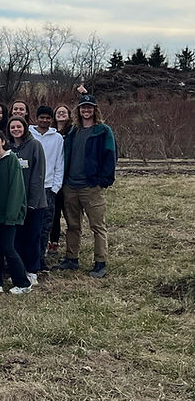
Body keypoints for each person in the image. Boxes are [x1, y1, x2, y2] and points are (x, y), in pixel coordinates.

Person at [58, 95, 117, 278]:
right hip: (70, 186)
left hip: (90, 186)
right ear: (78, 110)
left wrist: (103, 180)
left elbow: (111, 155)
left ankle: (100, 263)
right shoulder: (73, 131)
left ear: (95, 110)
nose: (86, 110)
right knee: (72, 225)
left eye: (89, 107)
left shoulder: (103, 131)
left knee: (97, 226)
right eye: (83, 107)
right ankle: (71, 259)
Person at [0, 129, 32, 295]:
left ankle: (23, 282)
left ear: (3, 141)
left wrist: (11, 216)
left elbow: (16, 189)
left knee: (8, 247)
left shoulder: (11, 159)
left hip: (9, 215)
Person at [9, 116, 47, 284]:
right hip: (16, 204)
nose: (16, 129)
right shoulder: (8, 148)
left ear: (25, 128)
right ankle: (19, 270)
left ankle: (32, 270)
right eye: (12, 127)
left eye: (19, 126)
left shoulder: (35, 146)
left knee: (32, 237)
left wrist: (32, 202)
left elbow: (38, 176)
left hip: (34, 204)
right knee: (17, 238)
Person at [49, 103, 73, 250]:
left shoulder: (72, 131)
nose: (61, 114)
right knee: (55, 211)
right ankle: (53, 241)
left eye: (64, 112)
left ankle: (71, 244)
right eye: (58, 112)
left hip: (68, 176)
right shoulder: (51, 133)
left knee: (69, 212)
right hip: (54, 176)